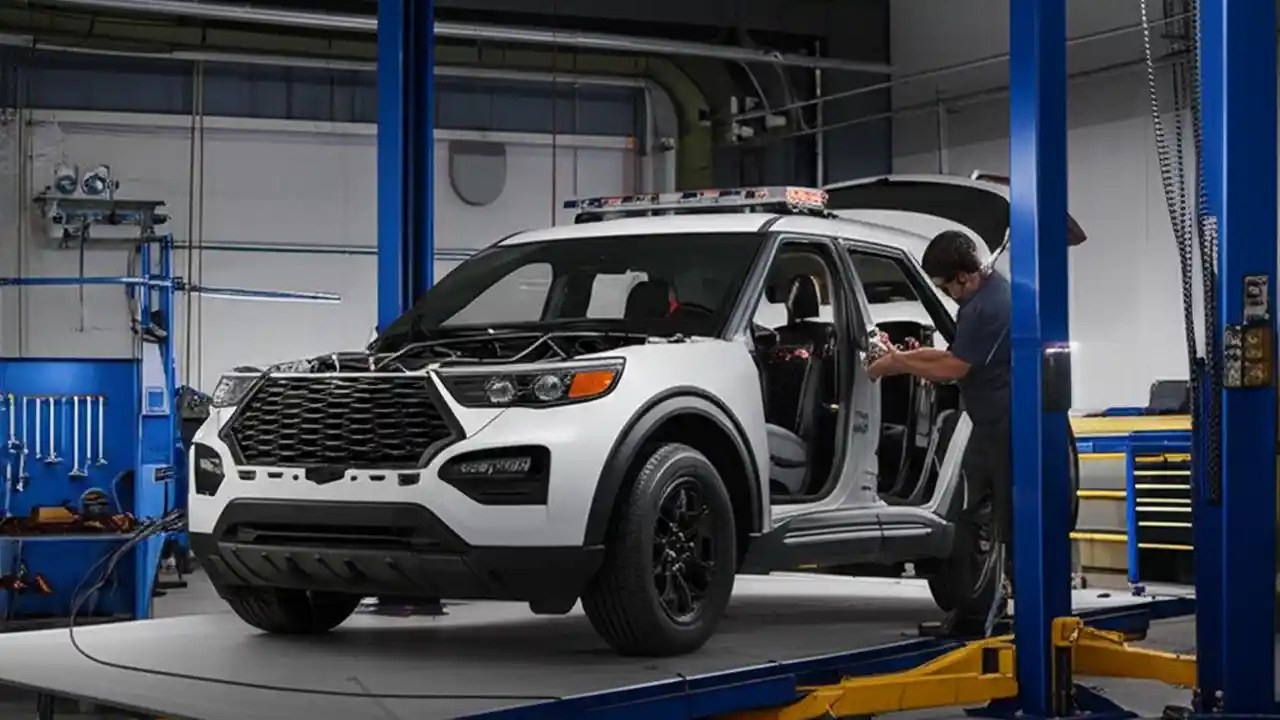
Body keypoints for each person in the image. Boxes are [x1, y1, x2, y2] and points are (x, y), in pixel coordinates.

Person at [866, 229, 1011, 633]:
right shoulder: (981, 298)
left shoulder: (988, 307)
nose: (946, 293)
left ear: (964, 277)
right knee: (975, 517)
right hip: (990, 423)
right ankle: (978, 613)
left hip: (1005, 428)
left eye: (945, 286)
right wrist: (901, 358)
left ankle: (996, 613)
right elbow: (952, 354)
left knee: (998, 522)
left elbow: (953, 369)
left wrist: (897, 365)